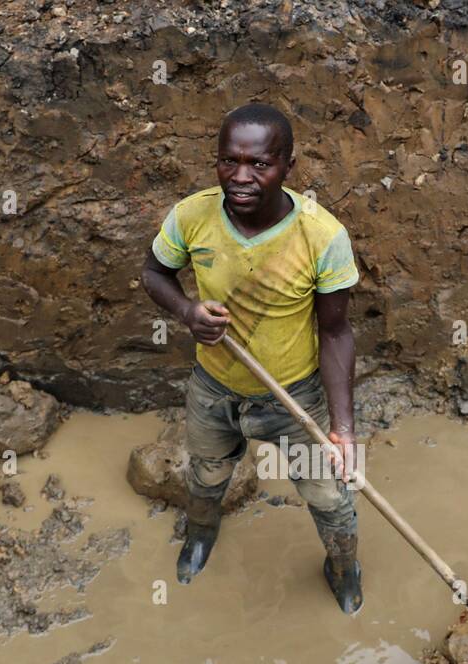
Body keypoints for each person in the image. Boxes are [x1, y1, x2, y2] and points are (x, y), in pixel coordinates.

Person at [140, 102, 364, 613]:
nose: (240, 178)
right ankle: (200, 535)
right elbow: (154, 274)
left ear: (287, 165)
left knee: (329, 497)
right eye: (228, 161)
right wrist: (186, 309)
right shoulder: (192, 215)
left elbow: (335, 332)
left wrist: (343, 427)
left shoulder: (322, 236)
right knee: (206, 474)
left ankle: (344, 565)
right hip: (214, 388)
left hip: (295, 397)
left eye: (259, 164)